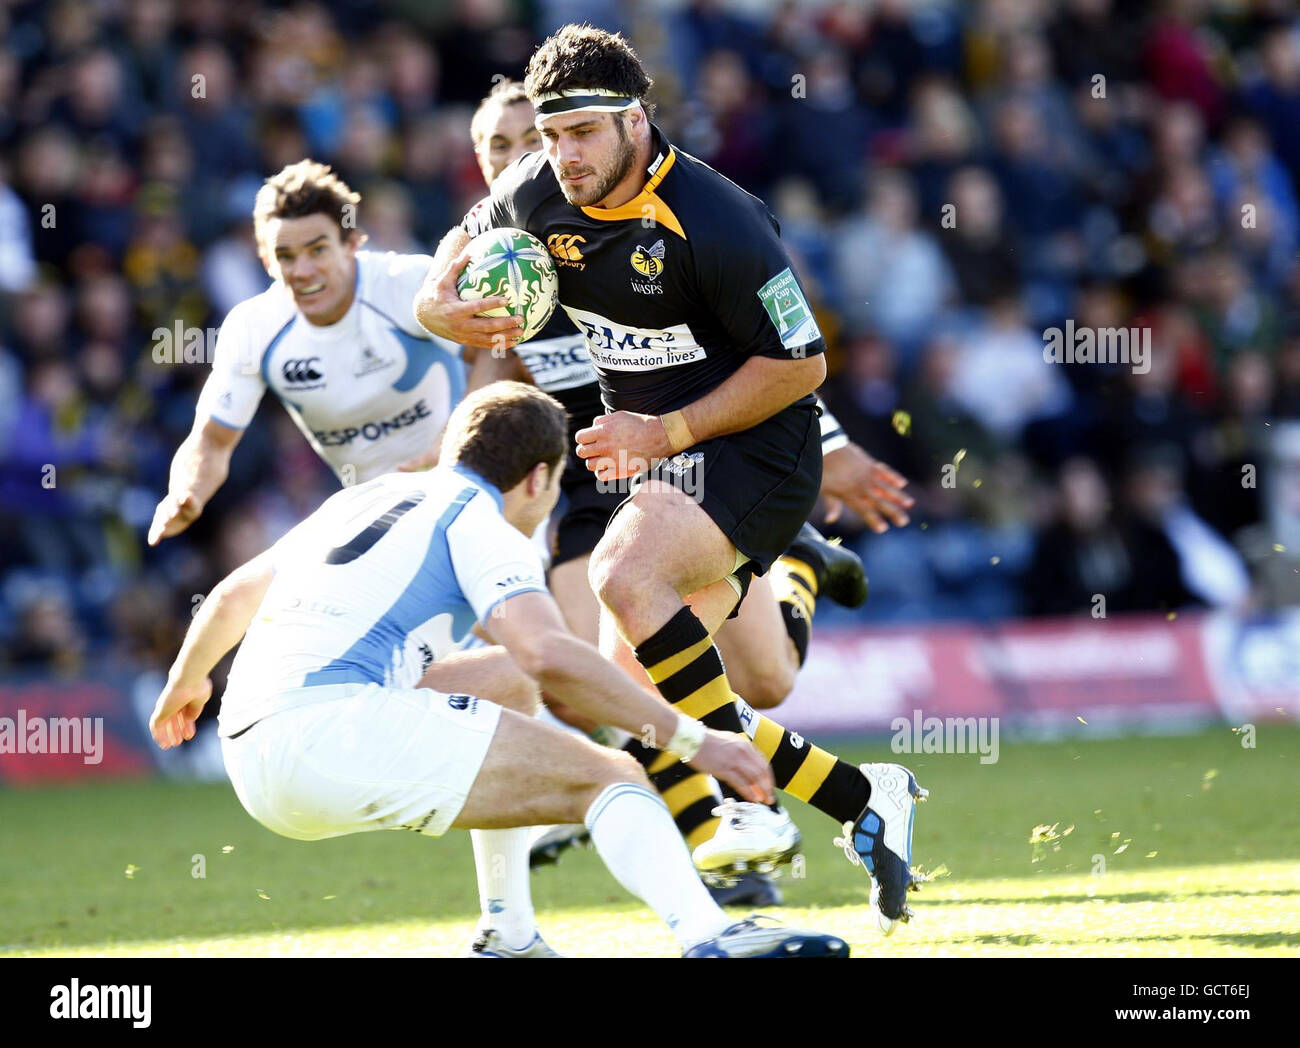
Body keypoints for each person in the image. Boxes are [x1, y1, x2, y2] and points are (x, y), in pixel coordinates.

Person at [416, 27, 926, 933]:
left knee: (622, 576)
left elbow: (801, 364)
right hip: (649, 462)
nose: (562, 156)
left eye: (582, 135)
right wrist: (436, 307)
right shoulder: (535, 192)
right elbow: (446, 265)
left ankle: (740, 809)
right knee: (661, 693)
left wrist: (666, 429)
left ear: (634, 121)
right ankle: (861, 794)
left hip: (756, 451)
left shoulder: (721, 218)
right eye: (550, 135)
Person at [148, 382, 848, 959]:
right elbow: (551, 651)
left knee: (507, 682)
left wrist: (188, 680)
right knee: (613, 777)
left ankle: (507, 932)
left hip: (251, 746)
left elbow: (238, 590)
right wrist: (693, 739)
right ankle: (711, 937)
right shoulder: (481, 524)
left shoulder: (363, 498)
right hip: (328, 733)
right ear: (540, 478)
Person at [147, 159, 507, 546]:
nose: (302, 270)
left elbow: (497, 352)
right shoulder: (252, 329)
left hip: (471, 493)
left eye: (317, 250)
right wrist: (188, 493)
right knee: (227, 603)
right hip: (375, 519)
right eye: (285, 256)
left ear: (352, 243)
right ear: (267, 260)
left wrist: (457, 438)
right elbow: (212, 441)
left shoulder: (407, 284)